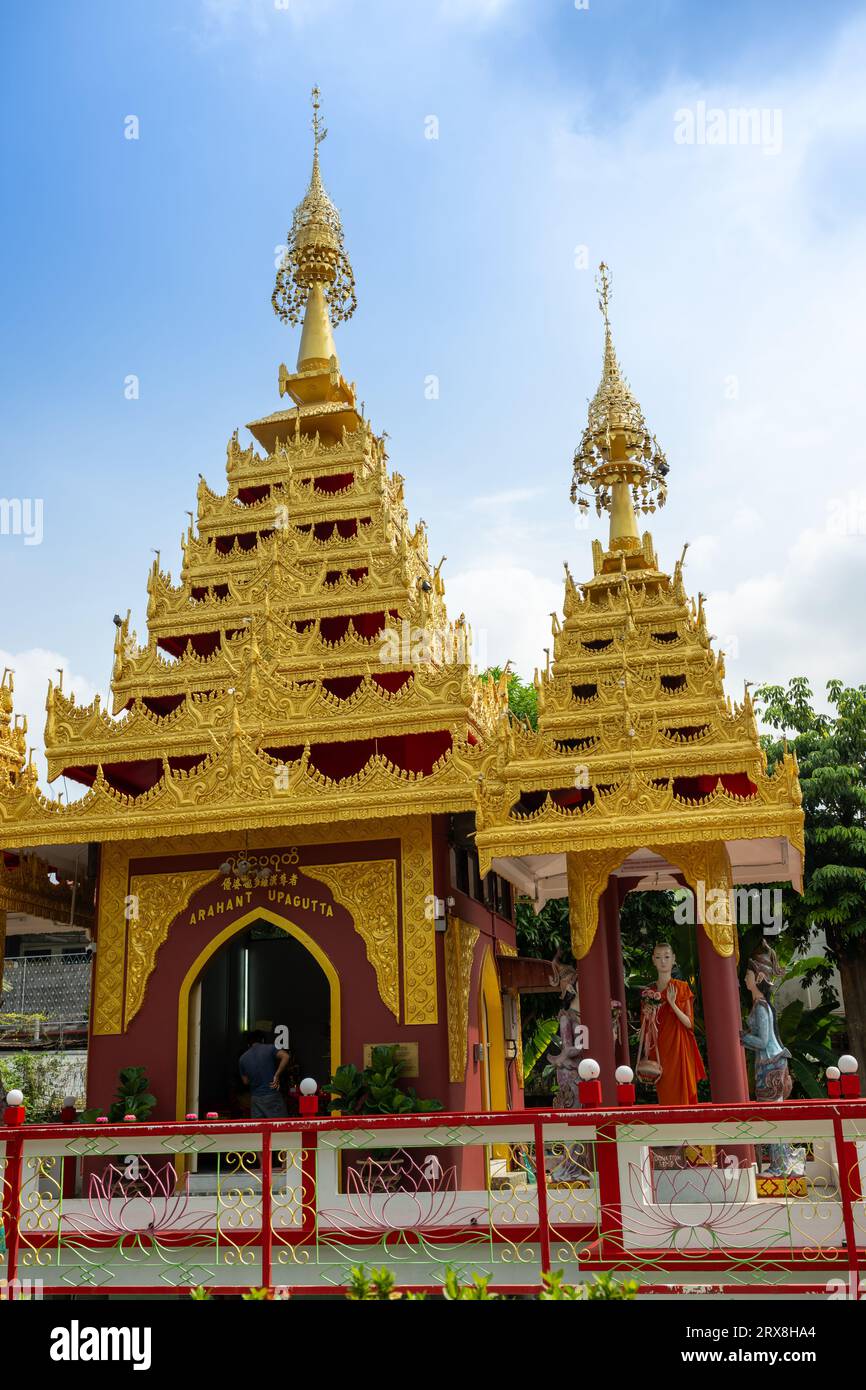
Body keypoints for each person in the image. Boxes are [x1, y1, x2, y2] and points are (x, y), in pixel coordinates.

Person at [740, 941, 801, 1176]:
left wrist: (742, 1038)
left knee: (772, 1117)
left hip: (770, 1065)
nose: (744, 979)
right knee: (773, 1116)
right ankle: (782, 1163)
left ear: (758, 978)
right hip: (771, 1064)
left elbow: (763, 1042)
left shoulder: (762, 1008)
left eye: (747, 975)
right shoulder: (760, 1005)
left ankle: (780, 1166)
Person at [639, 941, 706, 1106]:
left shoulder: (681, 987)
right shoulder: (649, 993)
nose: (663, 961)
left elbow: (689, 1023)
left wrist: (672, 1003)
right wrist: (647, 1015)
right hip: (660, 1051)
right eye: (659, 957)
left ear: (673, 959)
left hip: (678, 1048)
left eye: (667, 957)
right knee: (666, 1096)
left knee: (682, 1097)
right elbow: (645, 1032)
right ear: (653, 960)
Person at [239, 1029, 290, 1119]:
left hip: (255, 1099)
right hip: (272, 1096)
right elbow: (286, 1056)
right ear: (262, 1040)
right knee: (280, 1128)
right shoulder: (270, 1048)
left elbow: (245, 1081)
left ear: (249, 1043)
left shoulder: (242, 1058)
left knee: (259, 1130)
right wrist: (276, 1075)